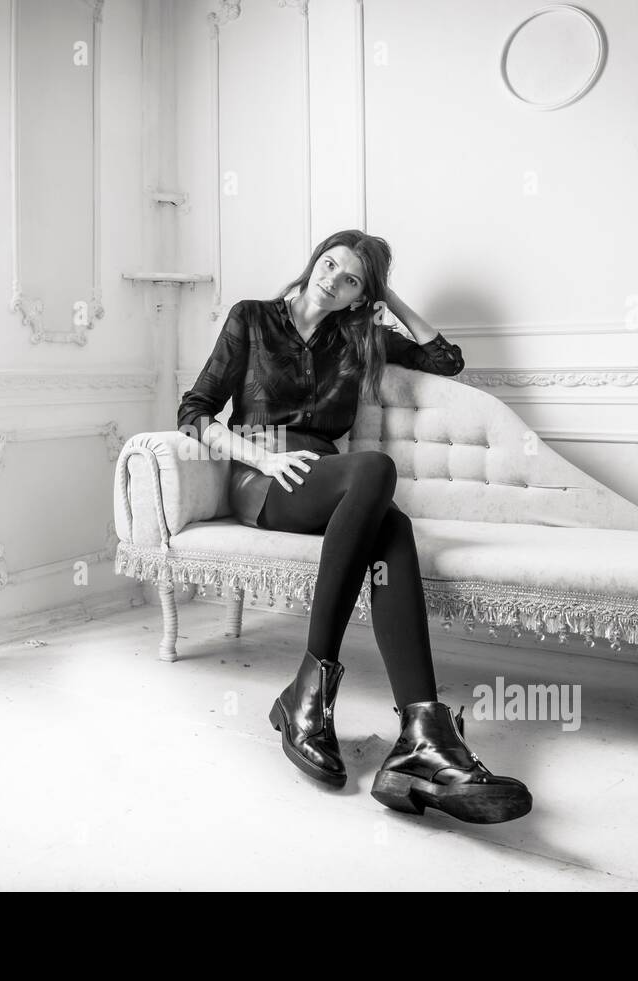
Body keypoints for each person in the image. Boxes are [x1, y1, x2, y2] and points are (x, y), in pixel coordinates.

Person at [176, 229, 532, 824]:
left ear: (356, 297)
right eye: (330, 262)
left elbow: (446, 360)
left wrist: (386, 297)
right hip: (266, 478)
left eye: (350, 280)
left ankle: (420, 734)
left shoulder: (361, 337)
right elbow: (193, 412)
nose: (331, 278)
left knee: (392, 530)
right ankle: (312, 697)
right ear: (314, 259)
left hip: (332, 482)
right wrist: (261, 457)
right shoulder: (252, 318)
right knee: (375, 471)